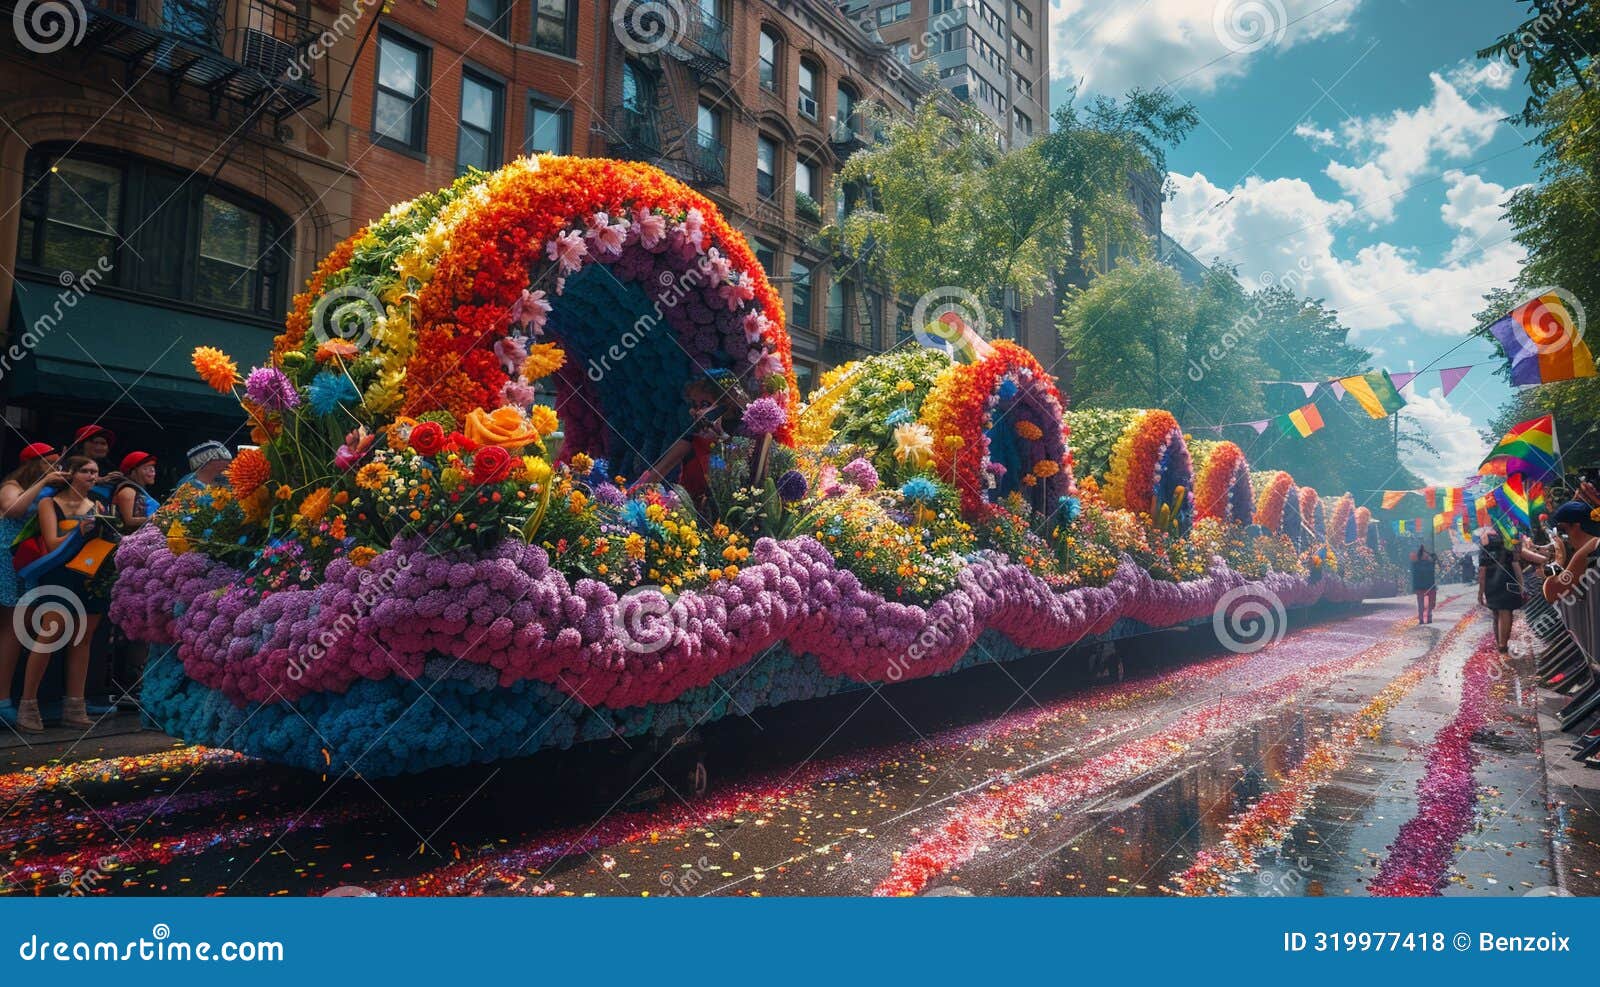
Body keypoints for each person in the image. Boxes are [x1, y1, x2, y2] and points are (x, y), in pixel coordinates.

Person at [13, 457, 114, 733]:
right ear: (71, 474)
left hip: (89, 575)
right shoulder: (50, 503)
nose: (92, 476)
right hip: (58, 574)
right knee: (48, 636)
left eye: (95, 472)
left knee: (83, 640)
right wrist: (79, 532)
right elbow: (52, 542)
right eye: (86, 471)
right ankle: (28, 704)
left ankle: (75, 706)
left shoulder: (100, 505)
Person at [0, 443, 65, 728]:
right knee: (11, 628)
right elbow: (14, 509)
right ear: (33, 464)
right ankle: (3, 699)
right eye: (49, 463)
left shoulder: (47, 489)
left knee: (19, 628)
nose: (53, 469)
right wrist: (43, 483)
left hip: (28, 562)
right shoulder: (11, 485)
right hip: (7, 558)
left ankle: (6, 698)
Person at [636, 372, 748, 511]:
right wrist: (635, 494)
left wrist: (721, 437)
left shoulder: (746, 431)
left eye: (705, 404)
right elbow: (660, 469)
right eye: (695, 405)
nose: (695, 411)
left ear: (727, 403)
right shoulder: (693, 437)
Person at [1478, 532, 1525, 653]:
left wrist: (1480, 592)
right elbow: (1516, 565)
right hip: (1507, 582)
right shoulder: (1508, 545)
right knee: (1506, 612)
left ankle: (1500, 642)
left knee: (1496, 613)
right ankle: (1503, 644)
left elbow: (1482, 573)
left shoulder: (1484, 550)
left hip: (1491, 585)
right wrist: (1521, 586)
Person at [1410, 543, 1437, 624]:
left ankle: (1421, 618)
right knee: (1430, 602)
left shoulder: (1415, 564)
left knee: (1421, 604)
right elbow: (1434, 558)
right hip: (1430, 586)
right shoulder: (1430, 564)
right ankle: (1428, 616)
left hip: (1420, 587)